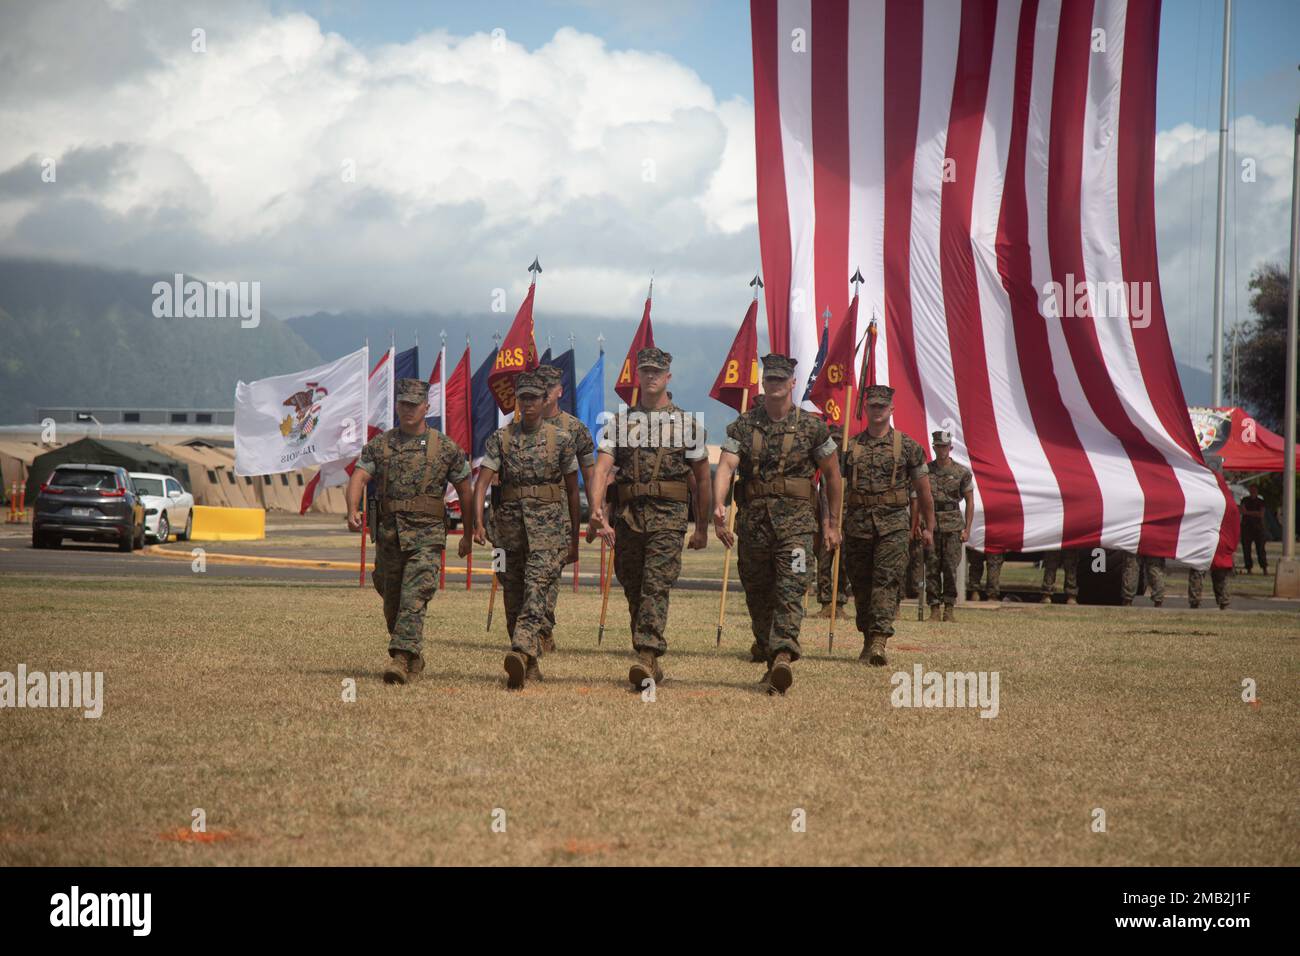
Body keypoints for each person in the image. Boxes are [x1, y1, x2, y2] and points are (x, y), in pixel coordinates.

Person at [712, 354, 842, 694]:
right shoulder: (744, 425)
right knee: (758, 594)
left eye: (781, 381)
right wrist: (718, 504)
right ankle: (771, 655)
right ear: (763, 382)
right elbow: (726, 466)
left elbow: (832, 476)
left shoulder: (813, 427)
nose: (775, 386)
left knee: (791, 587)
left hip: (797, 529)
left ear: (793, 384)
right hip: (754, 527)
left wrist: (832, 523)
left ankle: (784, 653)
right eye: (770, 379)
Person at [589, 347, 711, 689]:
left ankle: (647, 653)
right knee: (633, 585)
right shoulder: (620, 423)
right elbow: (601, 468)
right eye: (645, 371)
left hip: (669, 519)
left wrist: (702, 527)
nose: (652, 375)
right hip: (629, 517)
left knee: (656, 585)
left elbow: (702, 478)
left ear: (668, 376)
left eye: (658, 371)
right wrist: (596, 508)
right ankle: (649, 659)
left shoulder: (688, 423)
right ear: (637, 376)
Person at [346, 378, 474, 684]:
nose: (408, 410)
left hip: (427, 537)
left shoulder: (445, 448)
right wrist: (352, 508)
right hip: (389, 536)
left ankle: (400, 658)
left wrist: (469, 533)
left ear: (426, 408)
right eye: (403, 404)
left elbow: (465, 491)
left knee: (414, 596)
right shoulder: (381, 445)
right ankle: (413, 654)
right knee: (392, 600)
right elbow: (359, 477)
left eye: (414, 405)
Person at [469, 370, 581, 689]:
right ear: (517, 401)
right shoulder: (500, 439)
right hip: (506, 535)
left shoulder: (561, 440)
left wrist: (573, 538)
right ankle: (528, 664)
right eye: (524, 398)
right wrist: (478, 522)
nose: (529, 403)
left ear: (545, 400)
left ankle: (519, 648)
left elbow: (573, 491)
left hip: (549, 532)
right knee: (512, 594)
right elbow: (483, 482)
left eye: (535, 397)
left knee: (536, 590)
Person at [839, 384, 934, 666]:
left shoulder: (908, 447)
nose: (877, 410)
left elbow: (924, 490)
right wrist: (832, 521)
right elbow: (834, 484)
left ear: (891, 409)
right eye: (873, 406)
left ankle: (879, 639)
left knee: (886, 580)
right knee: (861, 584)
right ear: (865, 409)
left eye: (883, 406)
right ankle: (868, 636)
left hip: (893, 526)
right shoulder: (851, 446)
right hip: (857, 525)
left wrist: (929, 526)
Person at [534, 363, 597, 654]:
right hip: (523, 513)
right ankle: (531, 628)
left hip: (558, 513)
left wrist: (597, 509)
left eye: (550, 387)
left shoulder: (574, 429)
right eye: (540, 387)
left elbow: (590, 472)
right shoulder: (519, 427)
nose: (545, 393)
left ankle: (543, 630)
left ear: (559, 391)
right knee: (520, 574)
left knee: (548, 575)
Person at [924, 430, 973, 622]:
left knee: (951, 568)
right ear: (934, 448)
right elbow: (920, 499)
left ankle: (949, 608)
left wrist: (967, 528)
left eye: (945, 446)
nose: (942, 450)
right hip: (932, 524)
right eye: (938, 446)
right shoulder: (926, 471)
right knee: (932, 567)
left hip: (953, 525)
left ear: (950, 448)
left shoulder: (962, 472)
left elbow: (970, 501)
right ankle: (934, 608)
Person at [1239, 484, 1268, 574]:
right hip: (1246, 527)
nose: (1253, 492)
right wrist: (1255, 512)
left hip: (1258, 528)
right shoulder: (1245, 500)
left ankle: (1264, 568)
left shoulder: (1261, 501)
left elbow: (1261, 514)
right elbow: (1243, 511)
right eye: (1251, 490)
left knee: (1260, 549)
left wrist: (1248, 512)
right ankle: (1248, 568)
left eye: (1254, 490)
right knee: (1246, 549)